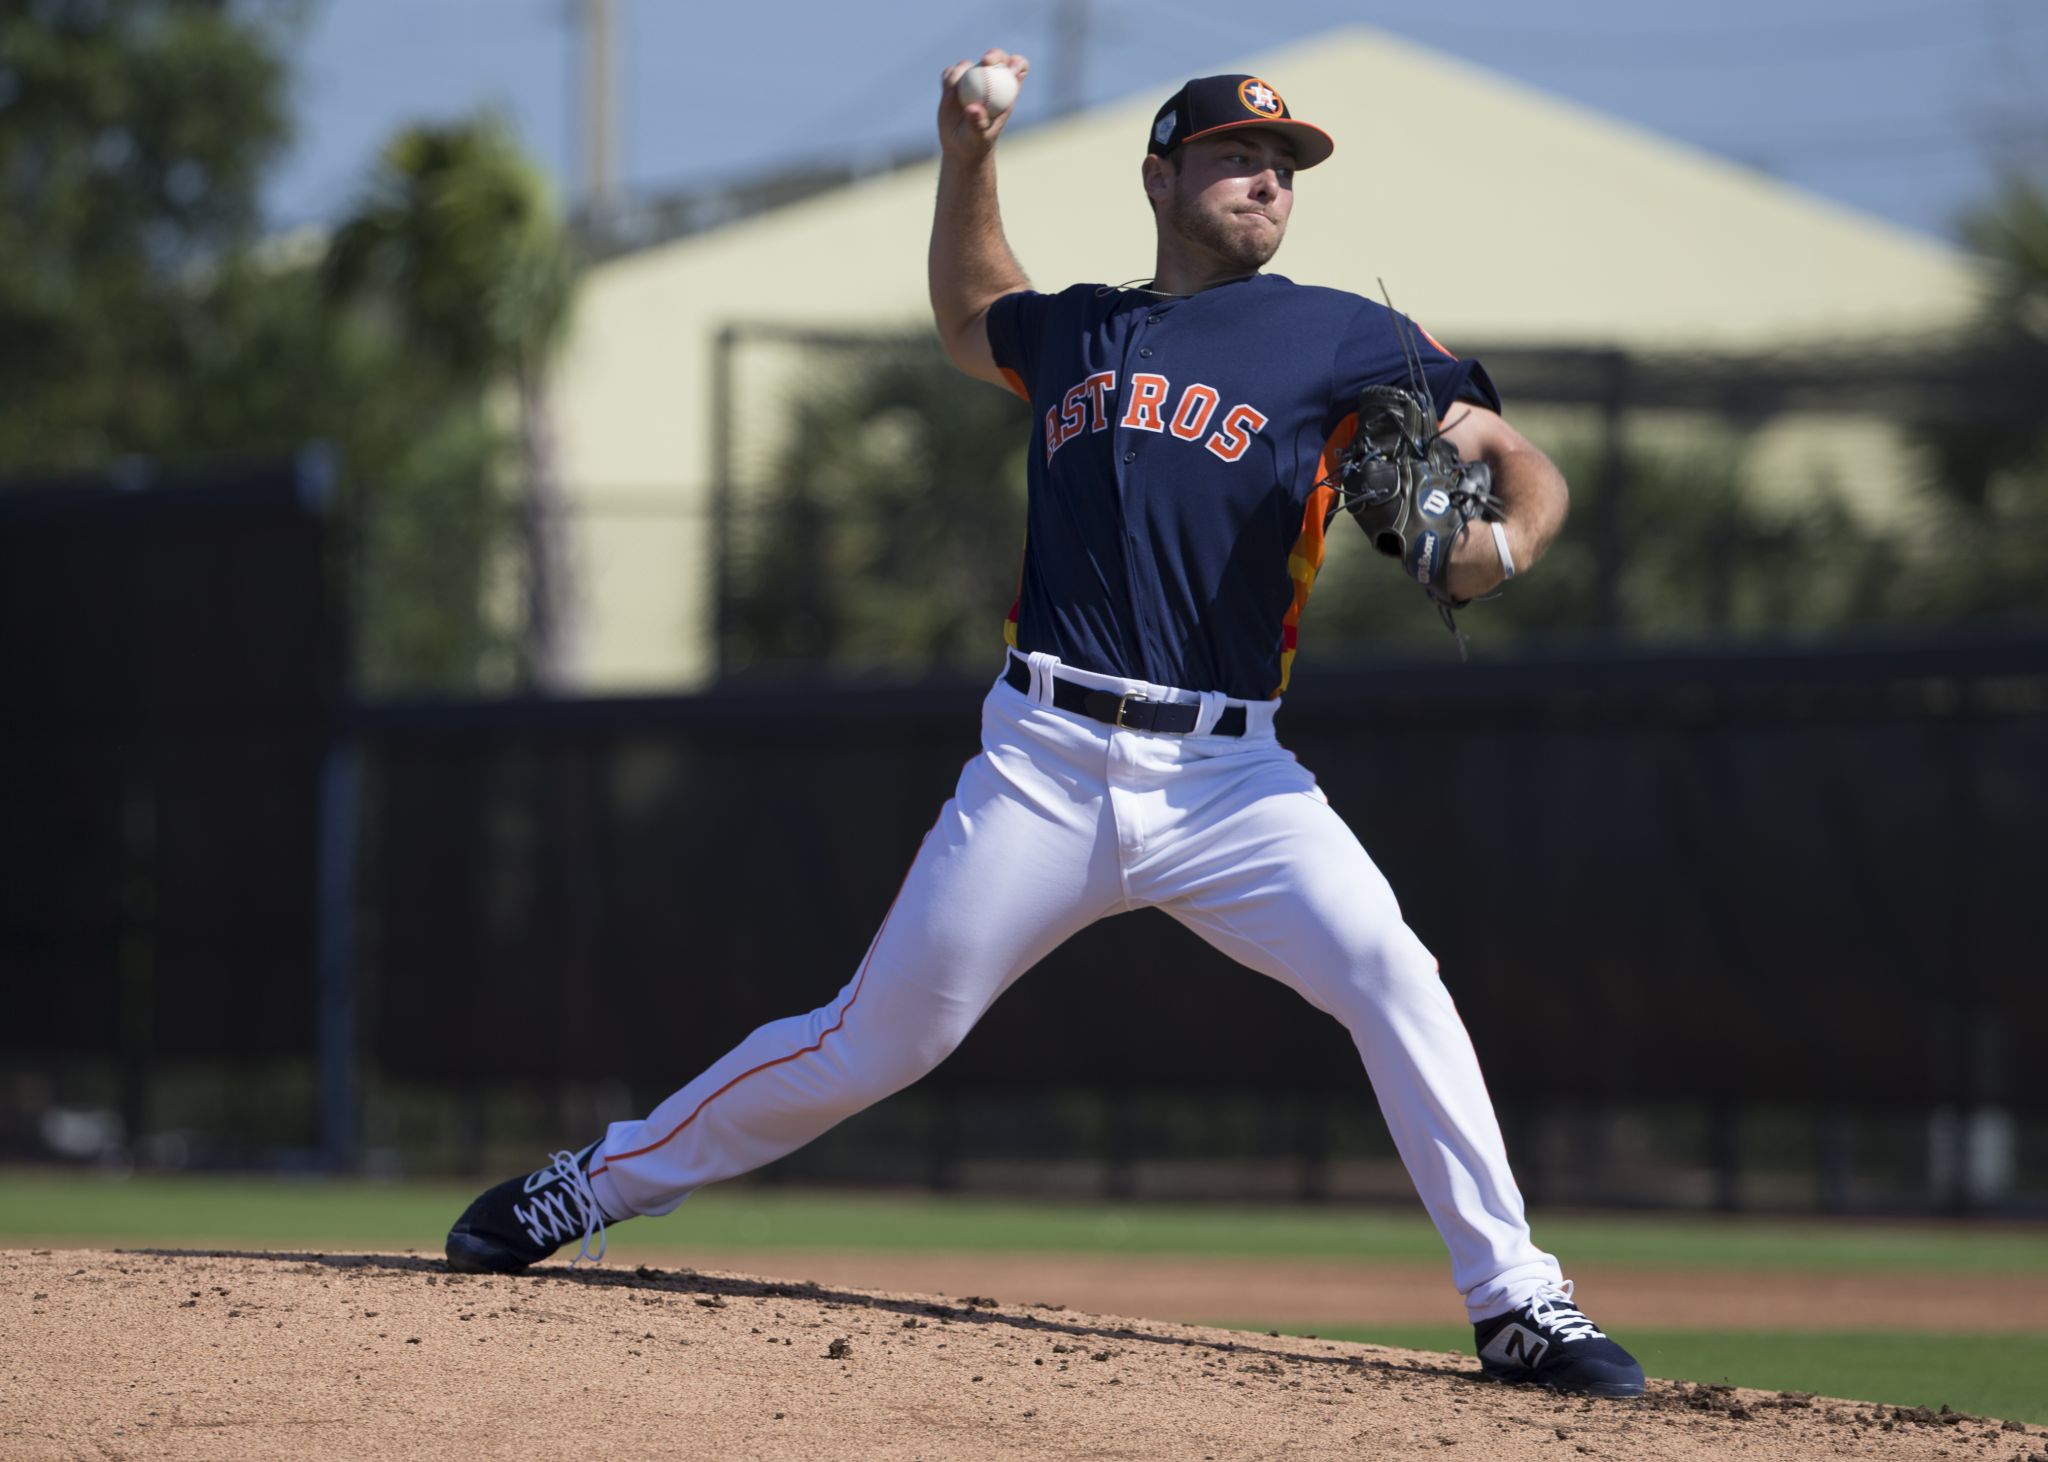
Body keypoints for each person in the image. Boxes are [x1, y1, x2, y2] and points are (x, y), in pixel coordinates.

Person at [444, 52, 1645, 1400]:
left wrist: (1504, 546)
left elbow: (1514, 457)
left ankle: (1517, 1302)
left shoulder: (1338, 335)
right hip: (1043, 762)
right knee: (876, 1039)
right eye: (1238, 155)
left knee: (1393, 975)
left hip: (1231, 781)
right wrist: (967, 151)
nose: (1267, 180)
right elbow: (971, 312)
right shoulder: (1079, 331)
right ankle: (593, 1182)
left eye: (1285, 165)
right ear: (1160, 177)